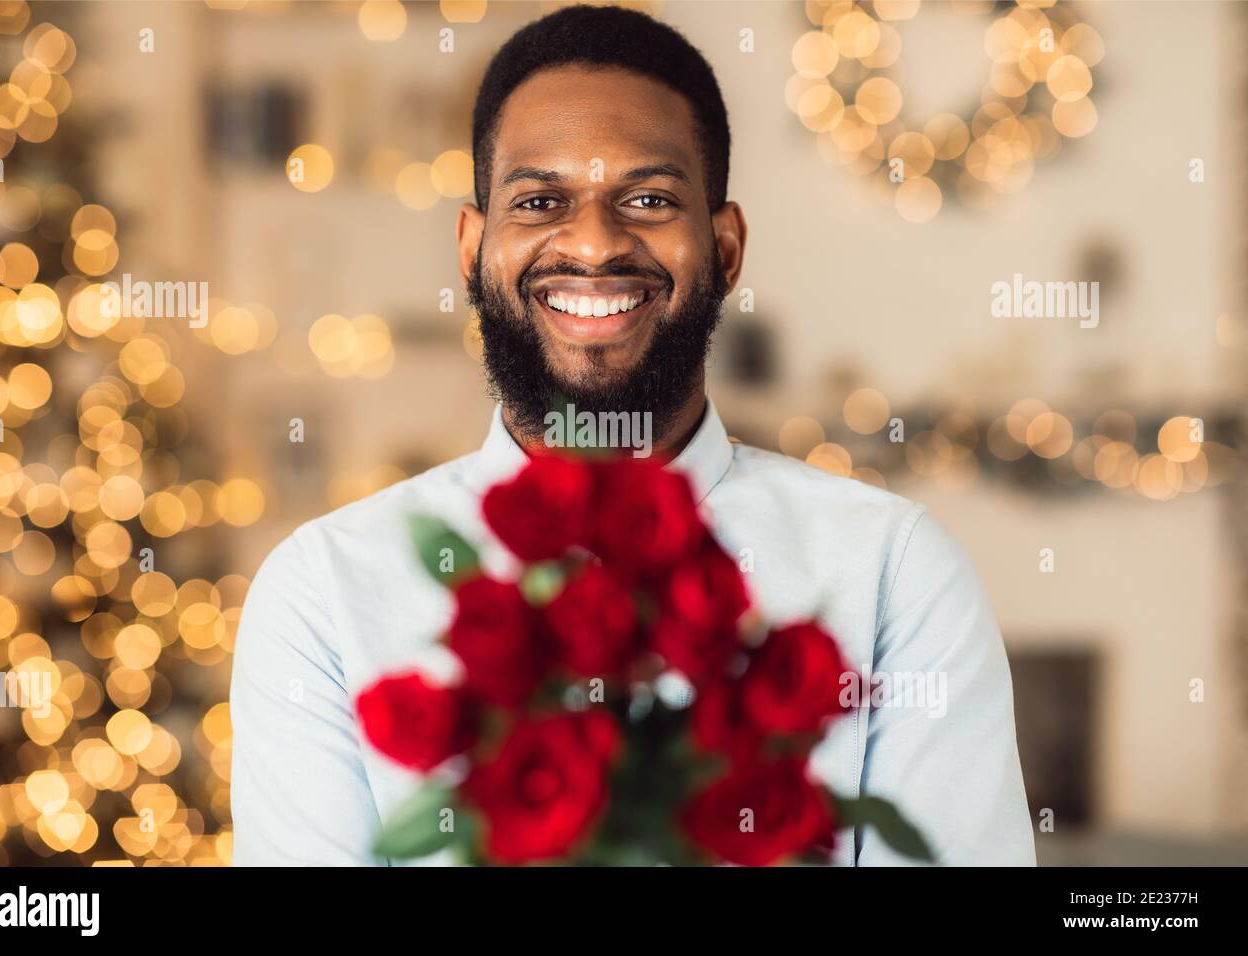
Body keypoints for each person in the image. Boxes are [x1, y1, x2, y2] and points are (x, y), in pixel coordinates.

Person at [231, 5, 1036, 866]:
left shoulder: (894, 575)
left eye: (648, 199)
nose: (592, 243)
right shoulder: (323, 592)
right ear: (471, 249)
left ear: (725, 248)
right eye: (541, 201)